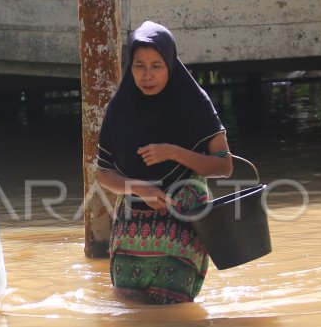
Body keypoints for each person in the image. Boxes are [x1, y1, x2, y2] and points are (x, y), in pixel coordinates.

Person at [96, 21, 233, 305]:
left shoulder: (194, 102)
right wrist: (139, 188)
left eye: (156, 66)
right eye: (139, 66)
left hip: (182, 217)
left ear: (170, 65)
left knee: (173, 308)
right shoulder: (119, 108)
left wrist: (173, 152)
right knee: (128, 305)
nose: (147, 75)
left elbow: (224, 166)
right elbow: (104, 174)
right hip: (132, 221)